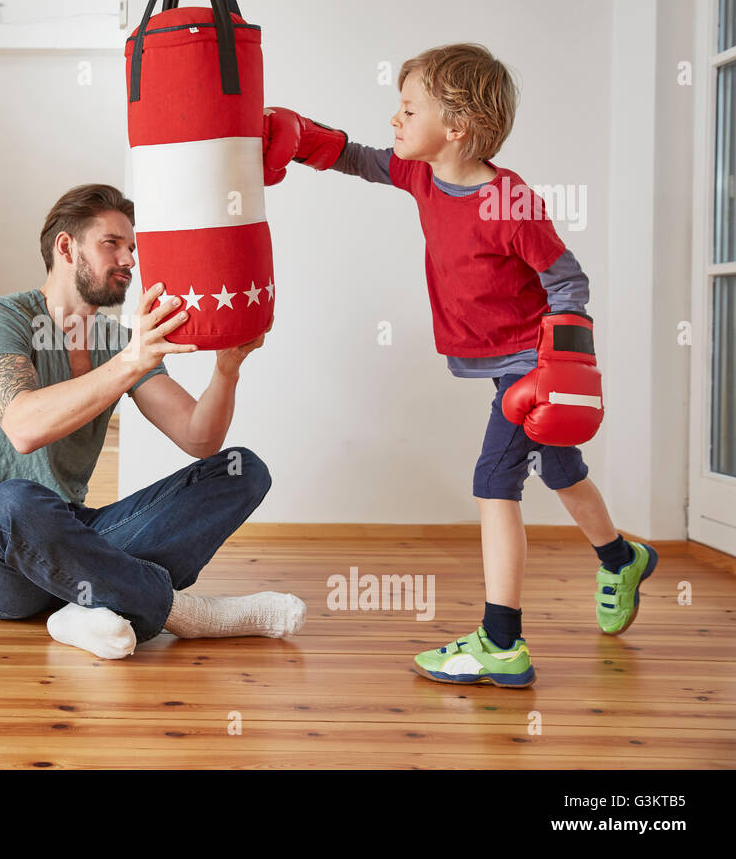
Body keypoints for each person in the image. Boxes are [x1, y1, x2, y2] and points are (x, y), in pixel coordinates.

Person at [263, 43, 657, 688]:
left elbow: (568, 282)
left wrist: (565, 362)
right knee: (561, 469)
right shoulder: (423, 176)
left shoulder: (511, 202)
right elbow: (362, 159)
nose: (395, 119)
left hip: (535, 363)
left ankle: (501, 641)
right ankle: (622, 558)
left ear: (456, 128)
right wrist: (303, 139)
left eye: (408, 107)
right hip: (502, 364)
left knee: (493, 482)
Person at [0, 183, 305, 659]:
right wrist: (131, 360)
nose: (129, 259)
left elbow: (198, 438)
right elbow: (24, 427)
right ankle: (182, 613)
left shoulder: (114, 339)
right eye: (112, 244)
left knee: (241, 471)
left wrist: (227, 369)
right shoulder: (0, 317)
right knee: (13, 502)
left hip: (71, 538)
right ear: (66, 247)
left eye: (132, 248)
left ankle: (85, 607)